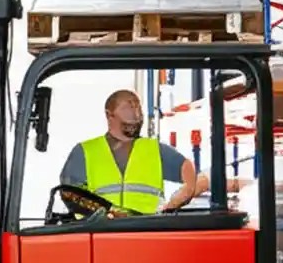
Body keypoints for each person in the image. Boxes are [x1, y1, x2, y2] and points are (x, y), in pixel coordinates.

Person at [59, 89, 198, 214]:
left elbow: (186, 168)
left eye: (138, 107)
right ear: (109, 114)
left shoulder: (155, 149)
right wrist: (109, 213)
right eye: (128, 107)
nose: (136, 114)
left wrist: (182, 195)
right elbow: (70, 194)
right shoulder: (85, 151)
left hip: (147, 234)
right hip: (99, 234)